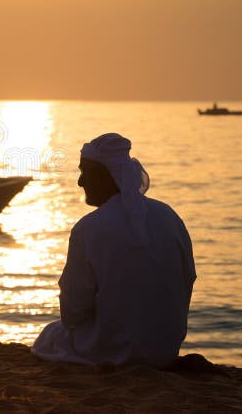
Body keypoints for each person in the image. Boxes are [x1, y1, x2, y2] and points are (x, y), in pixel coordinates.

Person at [31, 133, 196, 368]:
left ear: (103, 176)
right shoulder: (169, 216)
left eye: (84, 172)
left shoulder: (88, 228)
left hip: (114, 351)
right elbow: (189, 278)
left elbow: (72, 312)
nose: (80, 182)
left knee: (50, 336)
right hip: (165, 350)